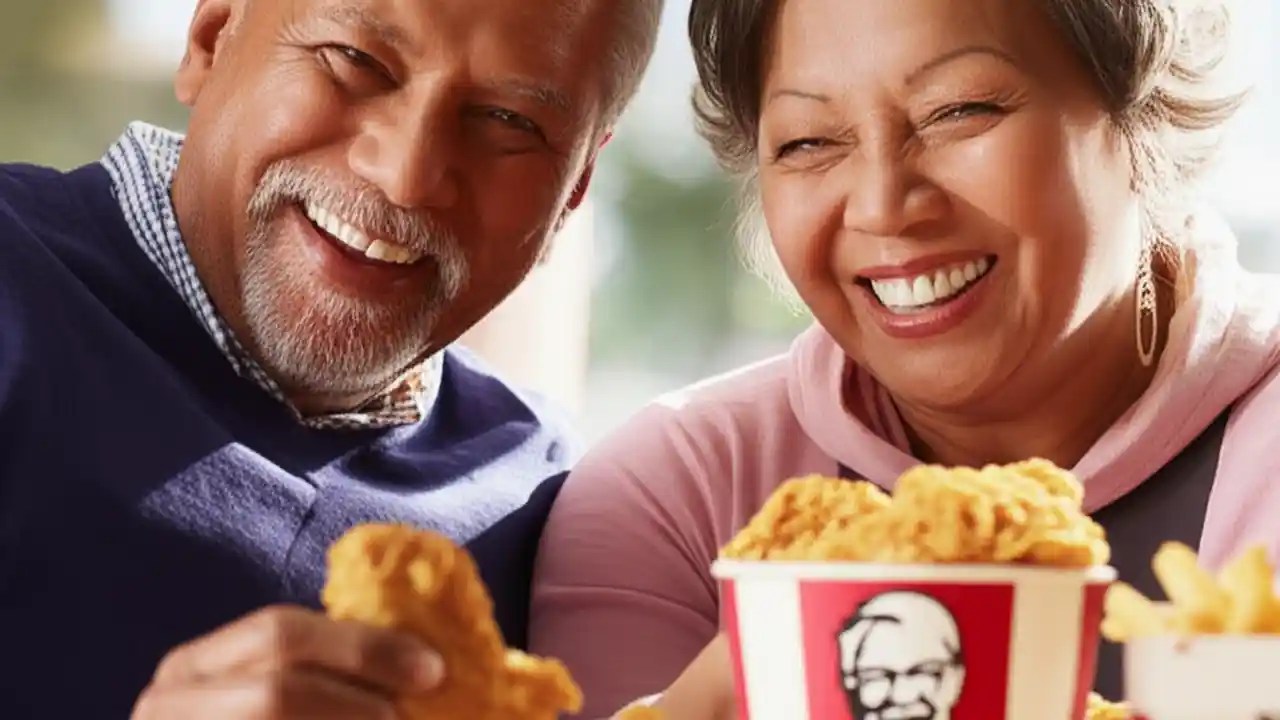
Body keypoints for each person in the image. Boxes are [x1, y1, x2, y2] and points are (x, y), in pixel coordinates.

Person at [529, 0, 1280, 716]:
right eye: (809, 143)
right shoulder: (681, 493)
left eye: (960, 110)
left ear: (1141, 108)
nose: (884, 205)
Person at [0, 0, 661, 717]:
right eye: (357, 61)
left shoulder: (561, 512)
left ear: (575, 191)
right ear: (211, 37)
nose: (405, 175)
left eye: (510, 122)